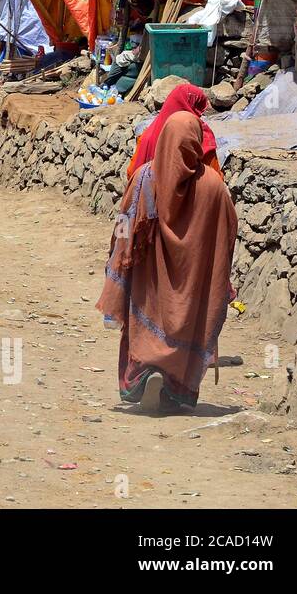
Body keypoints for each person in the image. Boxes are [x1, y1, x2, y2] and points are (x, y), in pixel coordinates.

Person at [97, 113, 237, 413]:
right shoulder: (214, 186)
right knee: (185, 324)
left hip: (149, 280)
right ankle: (176, 391)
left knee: (145, 322)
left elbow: (123, 222)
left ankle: (143, 373)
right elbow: (227, 235)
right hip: (193, 284)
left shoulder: (145, 178)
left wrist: (120, 253)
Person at [126, 82, 222, 179]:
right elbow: (215, 179)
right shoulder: (202, 138)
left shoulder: (147, 135)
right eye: (199, 108)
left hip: (148, 192)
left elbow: (132, 172)